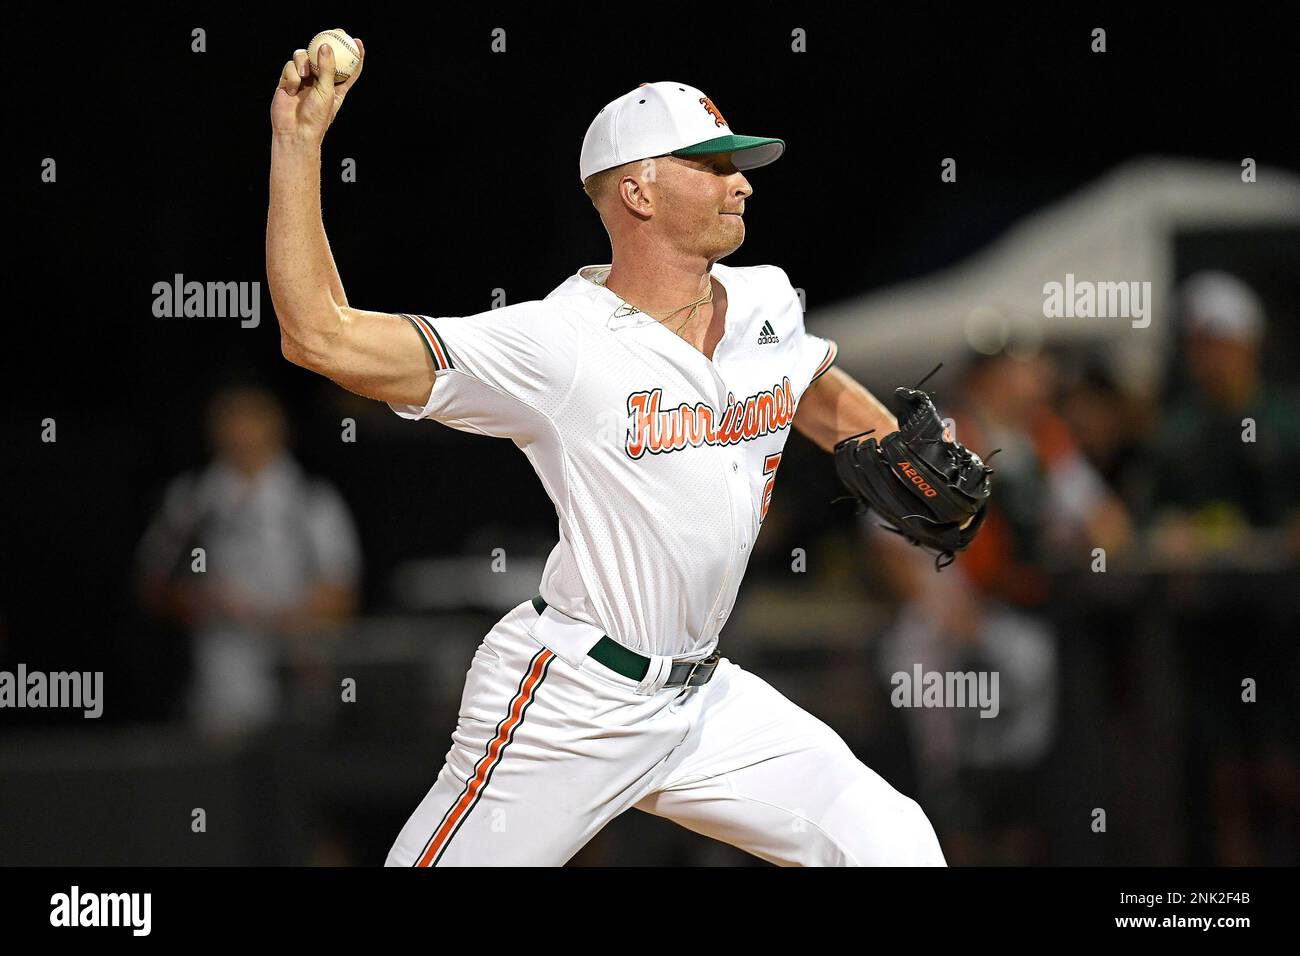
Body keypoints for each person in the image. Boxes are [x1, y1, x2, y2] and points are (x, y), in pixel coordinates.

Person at [268, 42, 946, 865]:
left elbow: (806, 380)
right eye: (712, 164)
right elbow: (320, 336)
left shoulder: (766, 297)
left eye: (740, 164)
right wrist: (298, 144)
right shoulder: (561, 345)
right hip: (577, 699)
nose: (743, 180)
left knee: (894, 841)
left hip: (704, 701)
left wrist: (891, 448)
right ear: (638, 191)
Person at [135, 385, 361, 740]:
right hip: (219, 692)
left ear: (277, 428)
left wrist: (282, 615)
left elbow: (342, 594)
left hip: (301, 686)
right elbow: (153, 588)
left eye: (253, 421)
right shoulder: (191, 502)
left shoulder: (312, 500)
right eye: (232, 423)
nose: (243, 434)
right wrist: (208, 600)